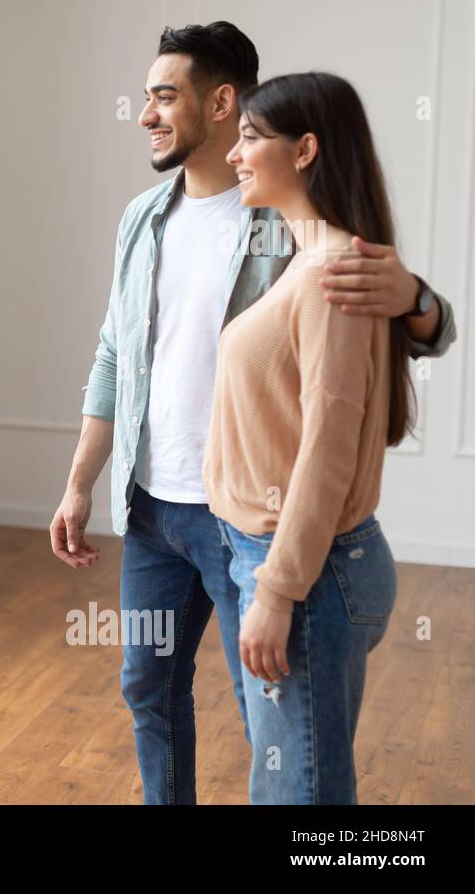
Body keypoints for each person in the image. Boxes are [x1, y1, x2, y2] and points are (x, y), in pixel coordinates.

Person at [49, 22, 456, 804]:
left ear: (223, 101)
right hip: (153, 510)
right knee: (148, 692)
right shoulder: (143, 218)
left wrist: (418, 301)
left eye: (164, 96)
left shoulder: (293, 224)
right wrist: (79, 483)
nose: (146, 115)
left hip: (250, 521)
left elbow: (399, 341)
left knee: (271, 722)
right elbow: (113, 355)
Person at [205, 71, 409, 804]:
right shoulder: (303, 259)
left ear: (306, 150)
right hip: (277, 558)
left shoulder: (331, 273)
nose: (234, 152)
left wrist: (278, 590)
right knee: (286, 781)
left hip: (310, 573)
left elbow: (327, 447)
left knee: (304, 797)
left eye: (252, 137)